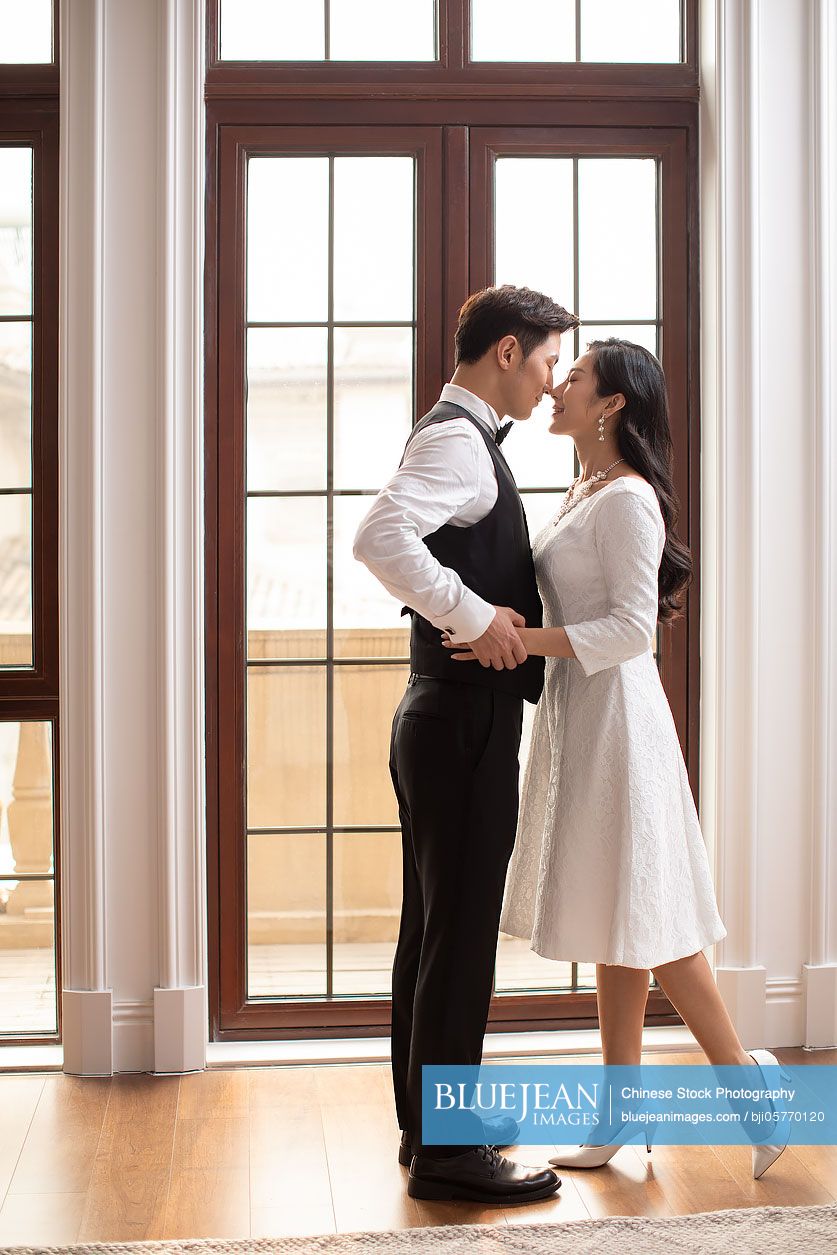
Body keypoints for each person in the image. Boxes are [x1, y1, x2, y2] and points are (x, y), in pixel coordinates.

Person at [443, 338, 789, 1180]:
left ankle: (746, 1090)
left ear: (612, 406)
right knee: (614, 915)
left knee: (651, 919)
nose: (556, 385)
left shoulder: (628, 499)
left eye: (576, 376)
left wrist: (519, 638)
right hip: (578, 716)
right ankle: (619, 1109)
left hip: (620, 725)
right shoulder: (583, 489)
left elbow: (634, 629)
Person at [353, 285, 578, 1204]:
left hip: (437, 716)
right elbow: (378, 535)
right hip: (461, 722)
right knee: (459, 933)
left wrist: (466, 611)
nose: (550, 380)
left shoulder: (455, 436)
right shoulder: (458, 442)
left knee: (434, 927)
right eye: (547, 362)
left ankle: (429, 1126)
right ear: (506, 352)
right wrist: (476, 612)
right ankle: (448, 1153)